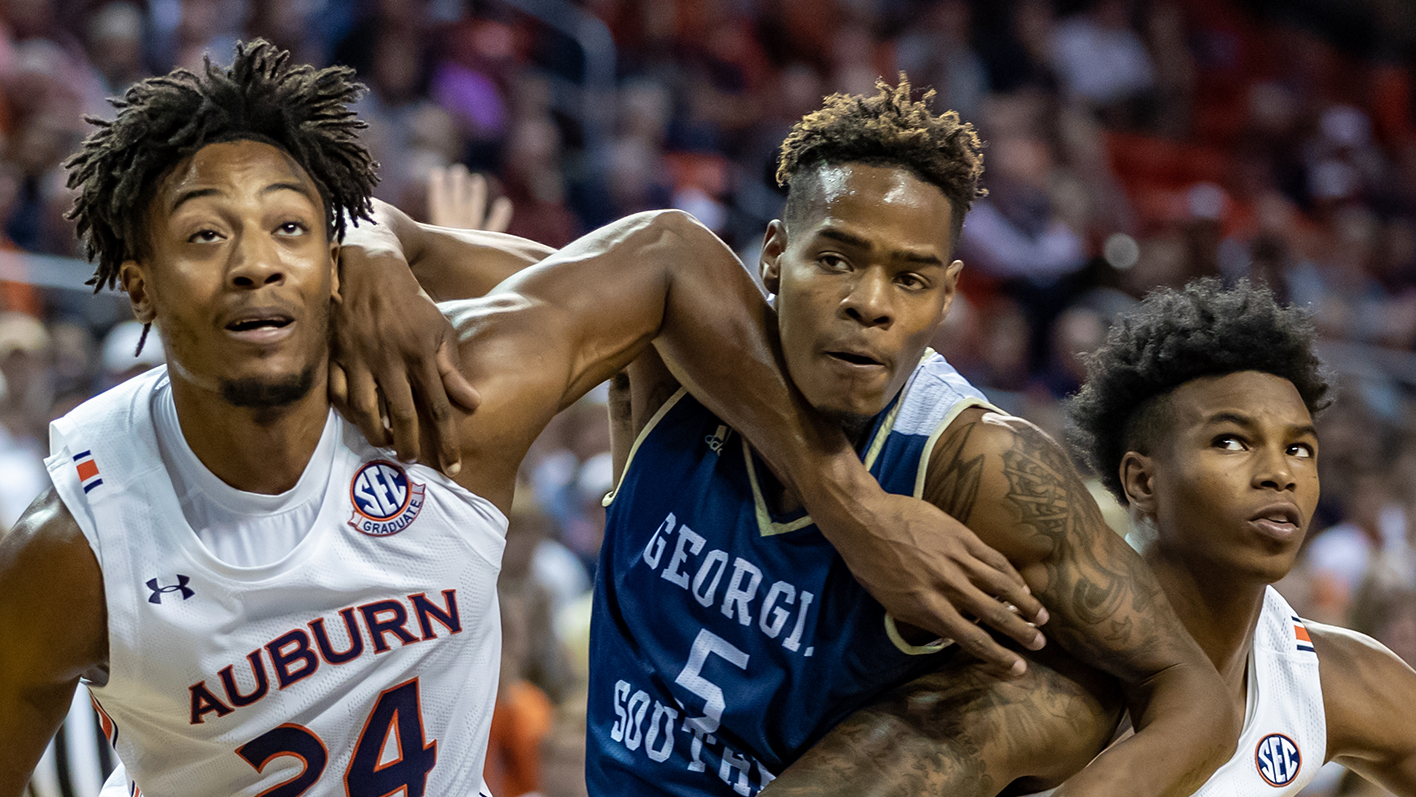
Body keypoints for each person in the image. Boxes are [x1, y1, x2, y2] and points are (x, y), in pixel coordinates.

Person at [0, 44, 1041, 797]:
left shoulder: (451, 404)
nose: (257, 260)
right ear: (136, 284)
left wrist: (852, 506)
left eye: (289, 228)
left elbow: (670, 256)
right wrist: (372, 234)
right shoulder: (73, 545)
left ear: (330, 266)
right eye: (204, 236)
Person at [355, 77, 1236, 797]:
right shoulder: (660, 341)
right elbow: (394, 233)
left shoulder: (976, 465)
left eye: (910, 277)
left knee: (1047, 698)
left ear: (948, 295)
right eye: (838, 258)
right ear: (774, 255)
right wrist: (370, 247)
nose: (870, 302)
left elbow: (1192, 695)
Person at [773, 280, 1416, 795]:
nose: (1280, 472)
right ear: (1142, 482)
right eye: (1231, 441)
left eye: (1299, 448)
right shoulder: (1038, 677)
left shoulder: (1337, 679)